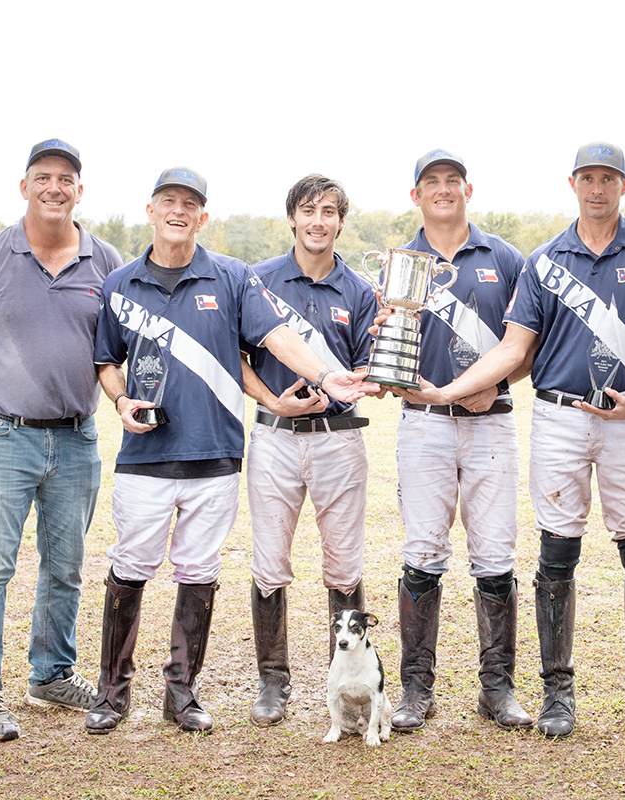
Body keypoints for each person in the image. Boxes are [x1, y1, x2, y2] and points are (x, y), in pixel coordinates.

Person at [394, 141, 625, 739]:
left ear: (624, 186)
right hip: (558, 417)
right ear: (573, 183)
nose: (598, 188)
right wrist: (452, 392)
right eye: (588, 177)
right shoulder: (543, 259)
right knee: (558, 549)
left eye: (609, 178)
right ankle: (558, 693)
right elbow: (514, 349)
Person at [86, 167, 375, 735]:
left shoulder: (231, 277)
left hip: (217, 452)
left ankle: (182, 692)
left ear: (203, 216)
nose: (178, 211)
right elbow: (106, 360)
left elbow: (275, 338)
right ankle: (112, 692)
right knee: (130, 569)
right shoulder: (120, 283)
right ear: (151, 209)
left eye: (189, 203)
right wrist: (120, 401)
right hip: (144, 455)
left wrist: (328, 376)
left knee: (199, 571)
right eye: (168, 201)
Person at [0, 138, 124, 742]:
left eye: (65, 178)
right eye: (42, 177)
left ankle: (51, 674)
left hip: (75, 437)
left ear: (79, 190)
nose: (54, 187)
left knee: (65, 566)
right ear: (24, 187)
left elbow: (115, 351)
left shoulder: (105, 261)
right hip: (4, 436)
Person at [385, 150, 533, 732]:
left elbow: (527, 348)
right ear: (415, 195)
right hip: (423, 423)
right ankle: (415, 689)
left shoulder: (505, 258)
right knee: (423, 550)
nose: (442, 190)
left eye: (452, 181)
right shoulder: (400, 264)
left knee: (495, 553)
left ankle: (497, 689)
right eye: (431, 183)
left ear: (468, 190)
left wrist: (491, 382)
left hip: (490, 420)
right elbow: (389, 348)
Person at [239, 174, 378, 727]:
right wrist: (274, 398)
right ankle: (273, 680)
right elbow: (238, 358)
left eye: (329, 210)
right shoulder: (259, 281)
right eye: (308, 210)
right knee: (270, 561)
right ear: (292, 218)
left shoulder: (362, 289)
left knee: (343, 565)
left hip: (339, 438)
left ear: (341, 220)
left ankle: (343, 678)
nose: (318, 220)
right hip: (274, 437)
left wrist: (370, 375)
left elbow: (374, 363)